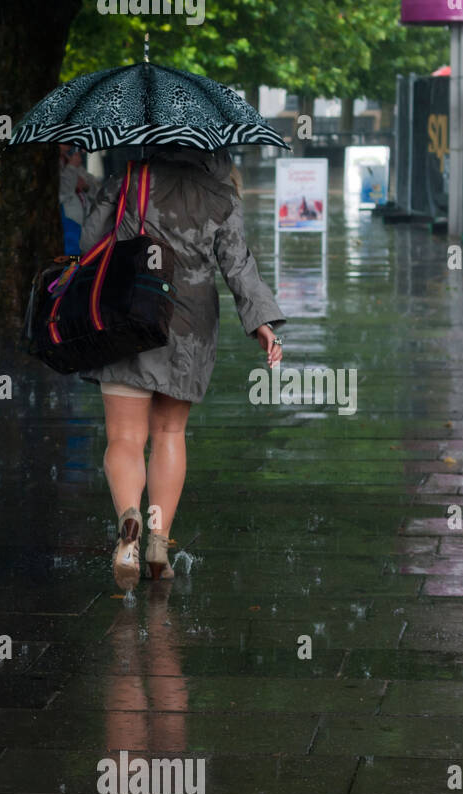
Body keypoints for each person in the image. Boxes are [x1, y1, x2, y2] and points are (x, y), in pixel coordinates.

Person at [77, 145, 285, 590]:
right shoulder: (219, 196)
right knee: (170, 434)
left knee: (125, 438)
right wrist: (262, 323)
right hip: (190, 327)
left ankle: (128, 521)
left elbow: (90, 243)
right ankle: (157, 540)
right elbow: (239, 265)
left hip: (129, 316)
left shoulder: (127, 180)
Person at [58, 145, 99, 255]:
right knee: (71, 261)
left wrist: (86, 187)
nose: (69, 144)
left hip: (84, 224)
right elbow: (62, 192)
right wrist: (71, 168)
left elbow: (95, 187)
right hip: (68, 225)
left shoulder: (70, 160)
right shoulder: (58, 165)